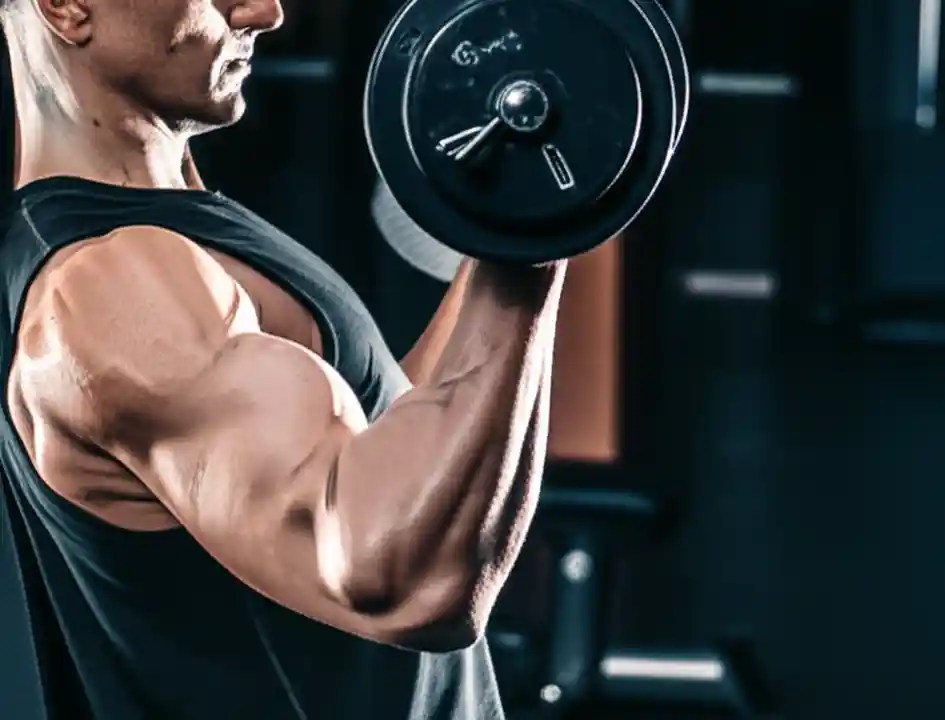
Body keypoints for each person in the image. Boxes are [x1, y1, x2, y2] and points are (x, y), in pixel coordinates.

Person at [0, 0, 564, 718]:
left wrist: (514, 229)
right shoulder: (117, 289)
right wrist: (537, 235)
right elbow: (402, 578)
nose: (264, 12)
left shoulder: (172, 237)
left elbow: (389, 450)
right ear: (67, 6)